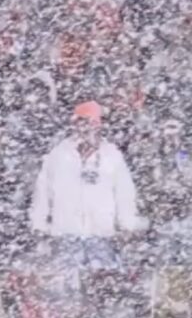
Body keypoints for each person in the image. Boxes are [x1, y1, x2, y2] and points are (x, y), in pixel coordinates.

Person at [29, 100, 144, 262]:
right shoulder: (59, 155)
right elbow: (42, 192)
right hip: (66, 234)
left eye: (88, 123)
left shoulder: (111, 156)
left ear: (97, 125)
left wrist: (127, 225)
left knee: (101, 282)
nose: (83, 128)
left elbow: (124, 194)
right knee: (65, 284)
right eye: (79, 122)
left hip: (102, 235)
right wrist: (39, 225)